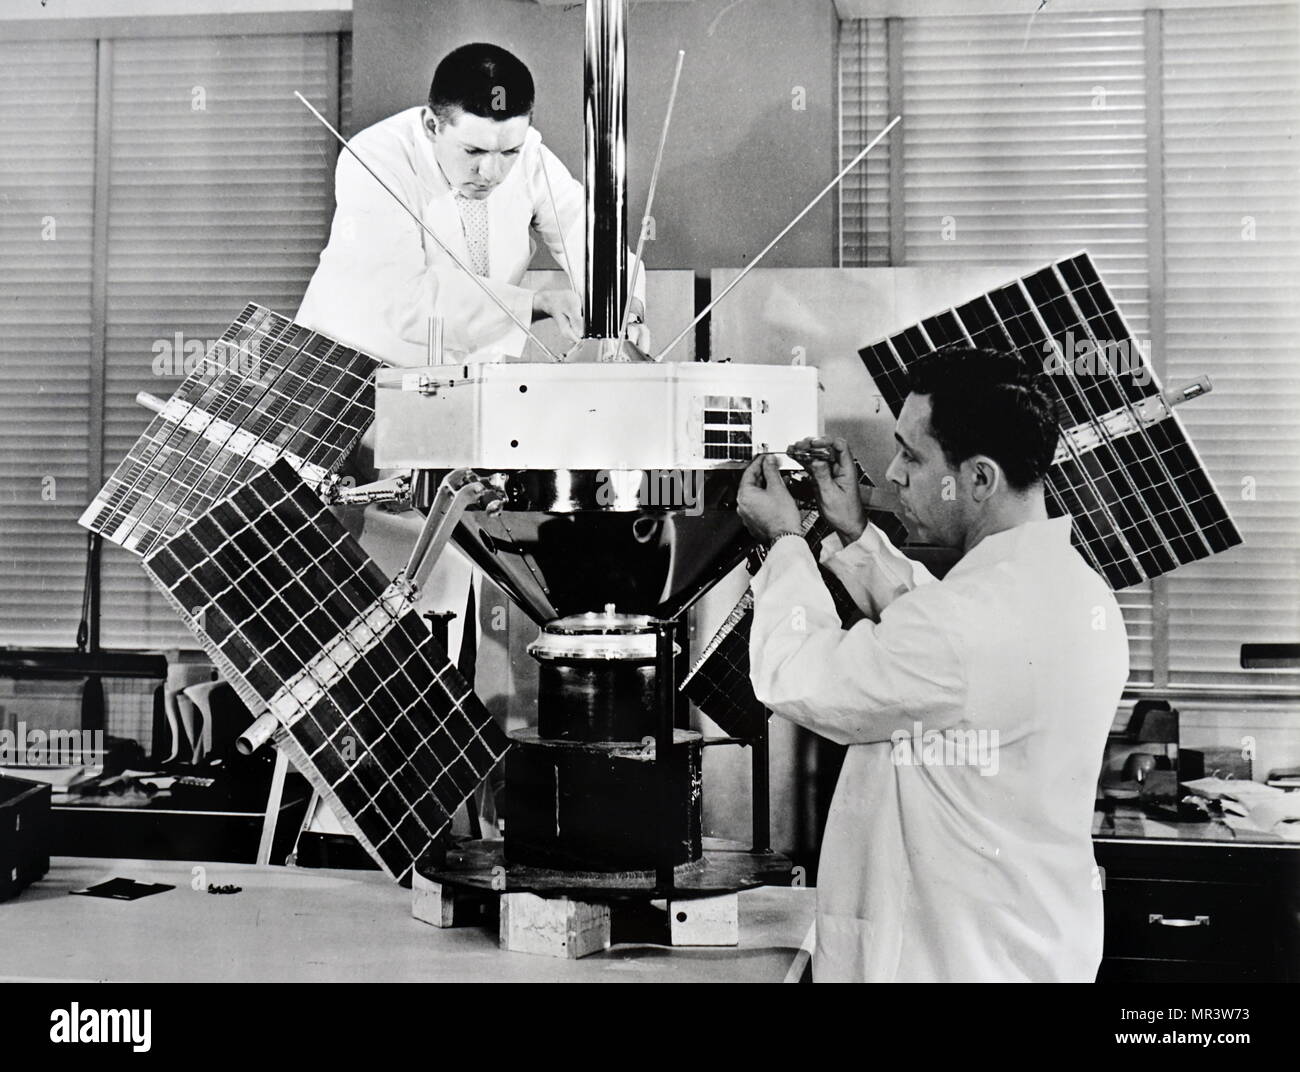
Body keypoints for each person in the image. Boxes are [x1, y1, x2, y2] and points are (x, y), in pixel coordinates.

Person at [736, 346, 1129, 983]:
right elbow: (936, 637)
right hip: (1026, 951)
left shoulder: (964, 624)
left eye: (912, 456)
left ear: (978, 479)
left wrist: (784, 544)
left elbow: (798, 673)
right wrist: (855, 535)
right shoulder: (1073, 589)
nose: (890, 474)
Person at [297, 41, 646, 364]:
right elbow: (405, 302)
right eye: (473, 151)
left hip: (453, 369)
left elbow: (587, 234)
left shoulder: (529, 155)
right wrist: (536, 304)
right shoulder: (375, 159)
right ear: (432, 126)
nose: (491, 172)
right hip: (351, 361)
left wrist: (625, 306)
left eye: (508, 151)